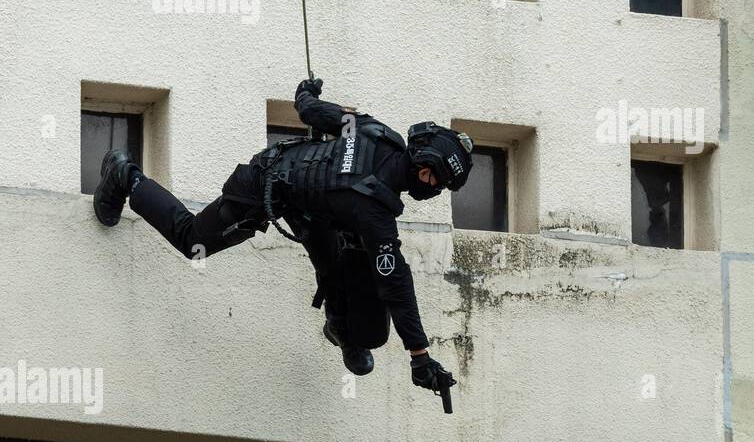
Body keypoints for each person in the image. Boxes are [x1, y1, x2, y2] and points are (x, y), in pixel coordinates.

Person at [90, 79, 471, 401]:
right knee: (194, 242)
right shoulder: (374, 209)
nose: (434, 189)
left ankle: (341, 328)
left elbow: (310, 111)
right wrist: (419, 354)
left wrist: (307, 93)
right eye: (434, 180)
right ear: (423, 168)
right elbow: (395, 284)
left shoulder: (375, 133)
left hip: (313, 208)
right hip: (265, 186)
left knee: (341, 259)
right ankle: (126, 176)